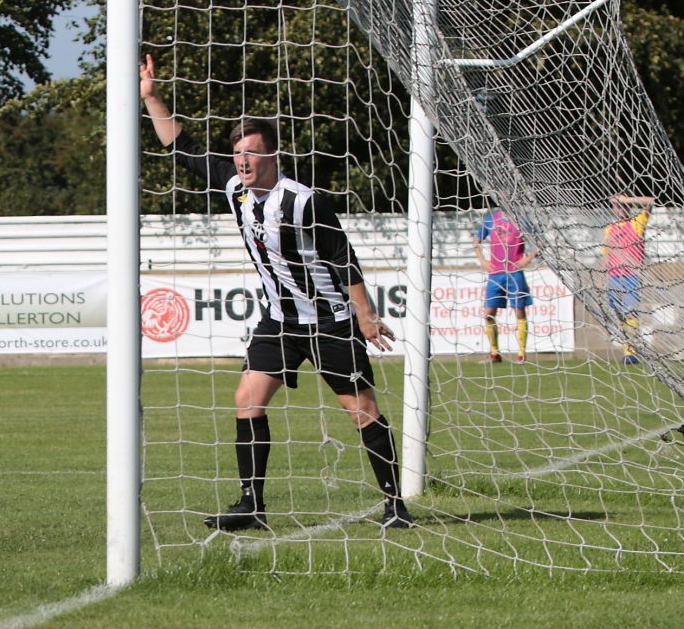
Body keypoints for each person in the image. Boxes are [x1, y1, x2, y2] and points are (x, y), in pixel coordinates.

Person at [139, 54, 411, 532]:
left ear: (273, 156)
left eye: (252, 153)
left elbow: (342, 258)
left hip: (330, 322)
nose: (243, 161)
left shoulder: (306, 201)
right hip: (279, 323)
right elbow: (183, 148)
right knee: (247, 399)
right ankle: (251, 505)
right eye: (238, 153)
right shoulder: (235, 191)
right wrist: (151, 98)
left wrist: (365, 315)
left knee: (361, 411)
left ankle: (395, 504)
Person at [475, 208, 533, 364]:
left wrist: (528, 258)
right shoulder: (491, 220)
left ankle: (521, 353)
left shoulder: (523, 219)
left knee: (519, 311)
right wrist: (483, 260)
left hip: (515, 273)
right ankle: (494, 353)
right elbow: (476, 241)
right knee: (489, 313)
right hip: (495, 273)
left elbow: (540, 241)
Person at [602, 194, 654, 365]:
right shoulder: (609, 228)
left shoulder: (636, 223)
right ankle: (628, 348)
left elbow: (652, 201)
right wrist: (603, 278)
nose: (621, 209)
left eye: (623, 206)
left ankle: (630, 352)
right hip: (613, 277)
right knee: (618, 316)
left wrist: (627, 198)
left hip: (631, 275)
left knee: (631, 312)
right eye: (617, 206)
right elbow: (606, 255)